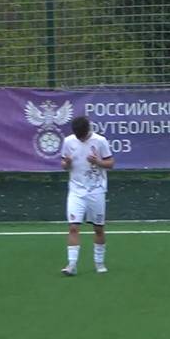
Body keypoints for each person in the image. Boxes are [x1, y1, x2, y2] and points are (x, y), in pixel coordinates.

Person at [58, 113, 114, 276]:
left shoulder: (100, 141)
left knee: (98, 228)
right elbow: (63, 164)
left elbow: (111, 163)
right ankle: (72, 265)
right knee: (73, 227)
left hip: (96, 189)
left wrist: (98, 162)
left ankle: (99, 262)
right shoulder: (68, 142)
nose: (80, 138)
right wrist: (66, 163)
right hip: (76, 190)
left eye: (82, 135)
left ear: (88, 130)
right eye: (78, 136)